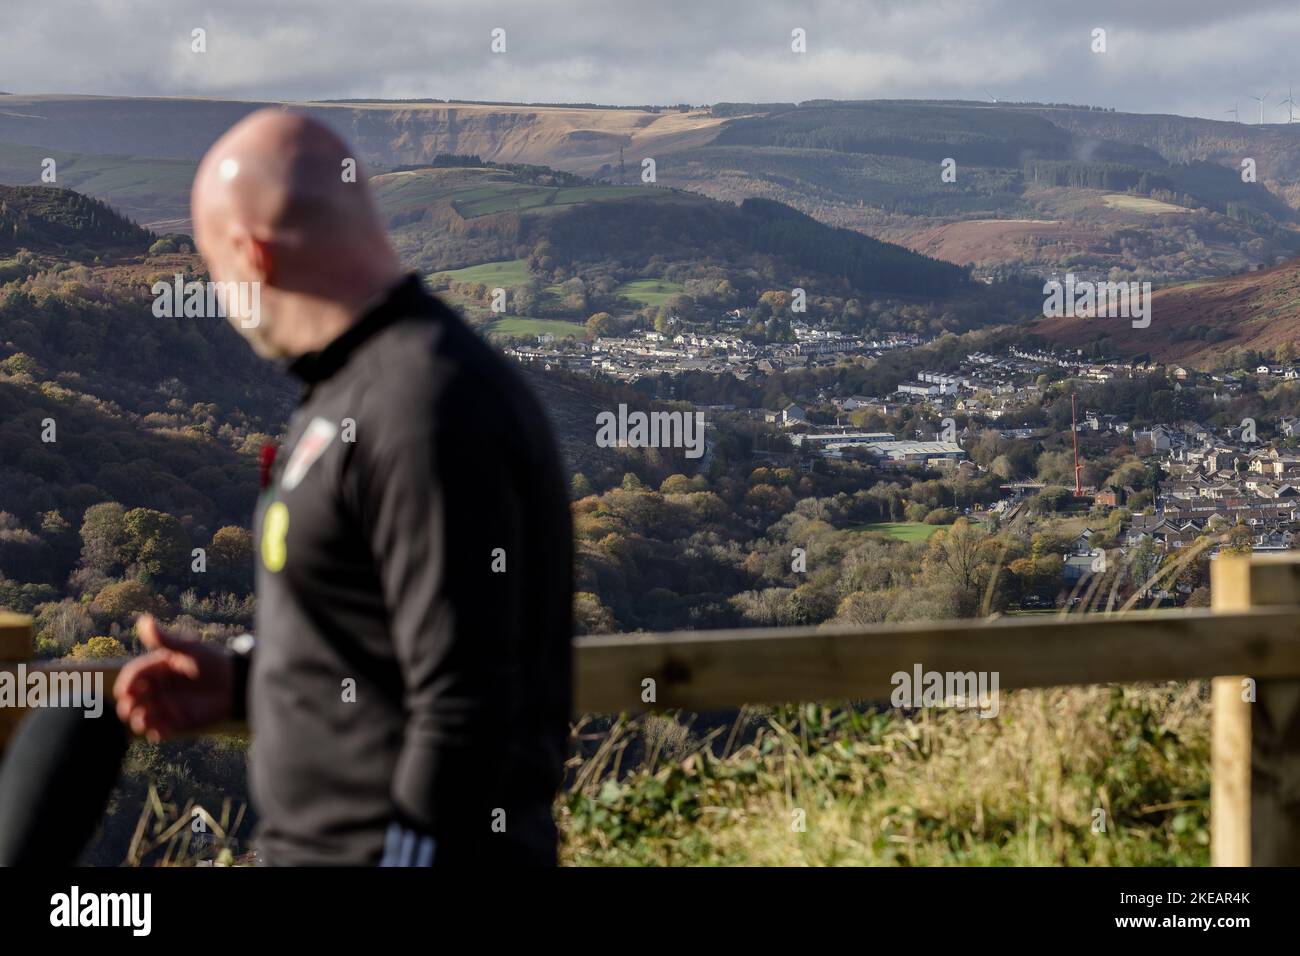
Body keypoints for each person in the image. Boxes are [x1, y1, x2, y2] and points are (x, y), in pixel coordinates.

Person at [112, 110, 574, 866]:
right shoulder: (359, 391)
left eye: (211, 269)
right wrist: (245, 685)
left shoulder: (427, 407)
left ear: (251, 255)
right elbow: (382, 649)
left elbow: (468, 698)